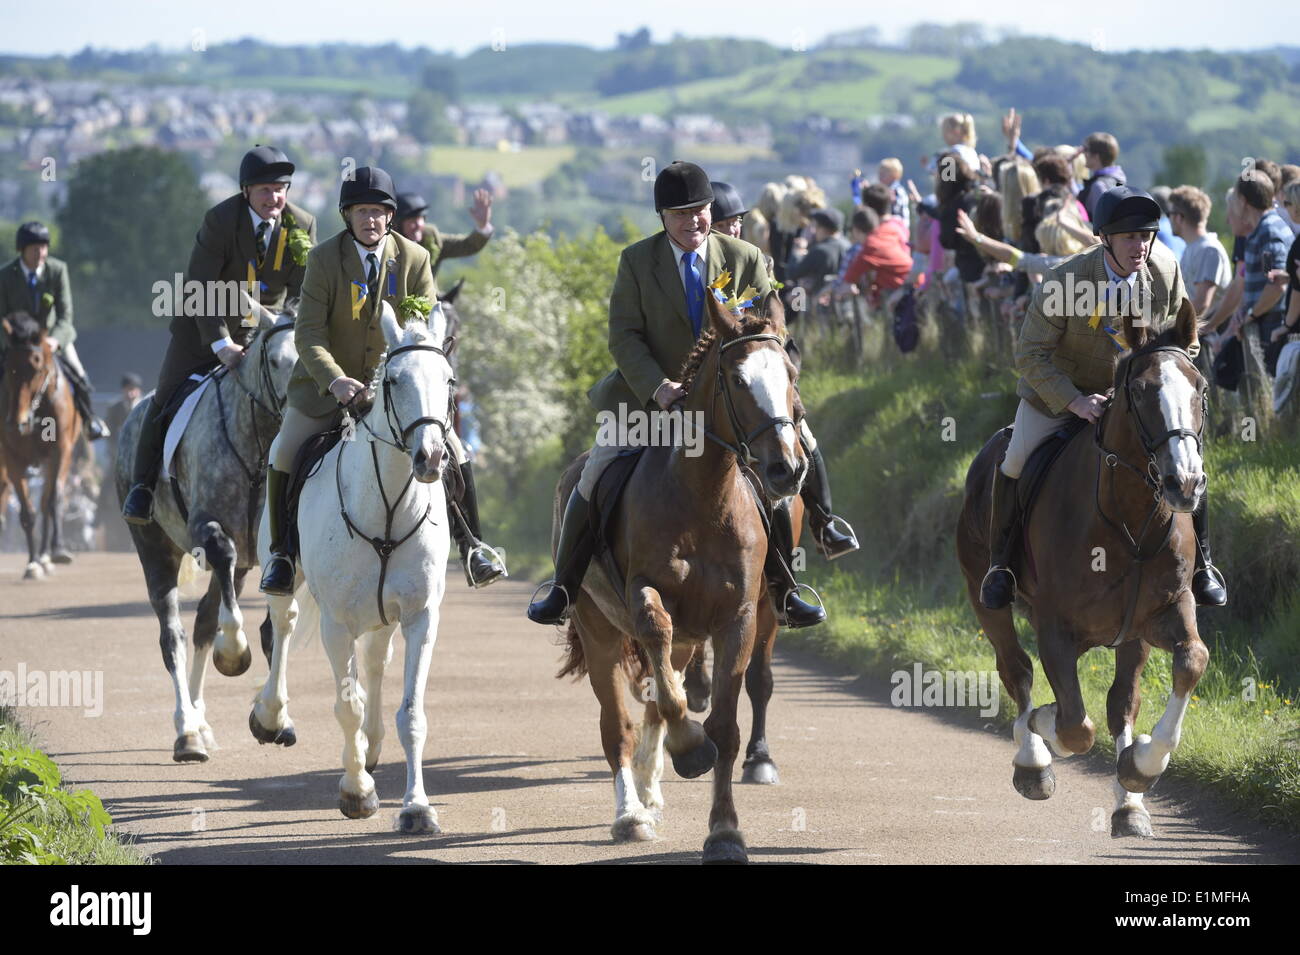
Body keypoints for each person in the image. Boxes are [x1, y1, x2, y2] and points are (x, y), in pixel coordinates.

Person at [526, 161, 848, 630]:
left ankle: (792, 578)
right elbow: (624, 337)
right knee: (594, 473)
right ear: (662, 217)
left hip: (732, 406)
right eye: (682, 213)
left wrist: (779, 377)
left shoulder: (744, 258)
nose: (694, 220)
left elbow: (772, 329)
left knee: (787, 460)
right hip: (650, 403)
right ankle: (564, 586)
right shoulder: (637, 262)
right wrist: (658, 387)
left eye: (700, 210)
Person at [258, 167, 506, 594]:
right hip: (325, 392)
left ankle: (473, 546)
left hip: (397, 394)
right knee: (284, 451)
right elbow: (309, 334)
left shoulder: (415, 258)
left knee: (456, 451)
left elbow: (426, 328)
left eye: (378, 211)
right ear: (347, 215)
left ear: (390, 216)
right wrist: (335, 381)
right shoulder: (322, 259)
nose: (370, 220)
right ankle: (281, 554)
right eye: (361, 211)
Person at [980, 186, 1227, 610]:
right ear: (1104, 238)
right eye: (1130, 237)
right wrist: (1075, 401)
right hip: (1060, 393)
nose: (1141, 245)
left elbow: (1185, 344)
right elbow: (1030, 354)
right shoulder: (1064, 280)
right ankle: (1001, 564)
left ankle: (1203, 563)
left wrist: (1146, 387)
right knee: (1016, 458)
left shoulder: (1165, 270)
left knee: (1188, 461)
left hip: (1136, 398)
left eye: (1147, 235)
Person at [122, 145, 317, 524]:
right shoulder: (220, 220)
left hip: (266, 336)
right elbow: (199, 286)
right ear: (246, 191)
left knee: (301, 400)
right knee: (165, 398)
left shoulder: (302, 224)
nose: (274, 197)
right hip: (203, 330)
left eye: (280, 188)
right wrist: (222, 343)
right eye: (264, 189)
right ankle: (142, 487)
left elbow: (299, 292)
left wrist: (280, 331)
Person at [0, 221, 110, 441]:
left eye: (44, 247)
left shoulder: (57, 270)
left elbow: (65, 316)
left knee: (79, 376)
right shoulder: (5, 275)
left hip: (52, 339)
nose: (41, 252)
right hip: (16, 345)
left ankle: (91, 422)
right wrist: (13, 344)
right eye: (36, 248)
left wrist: (55, 340)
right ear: (22, 249)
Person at [393, 189, 493, 280]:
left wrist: (482, 226)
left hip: (428, 298)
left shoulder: (432, 240)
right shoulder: (388, 244)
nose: (418, 225)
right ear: (397, 224)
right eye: (412, 220)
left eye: (420, 218)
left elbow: (468, 245)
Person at [1167, 186, 1231, 318]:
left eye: (1170, 214)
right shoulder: (1193, 247)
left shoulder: (1209, 250)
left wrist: (1172, 328)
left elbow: (1201, 304)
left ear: (1179, 217)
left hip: (1207, 335)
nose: (1169, 219)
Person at [1075, 132, 1126, 220]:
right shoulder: (1118, 178)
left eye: (1085, 149)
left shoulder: (1098, 186)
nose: (1082, 153)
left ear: (1096, 156)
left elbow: (1100, 224)